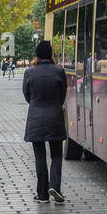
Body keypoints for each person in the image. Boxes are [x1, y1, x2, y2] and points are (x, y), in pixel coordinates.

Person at [23, 40, 68, 204]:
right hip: (55, 115)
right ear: (51, 54)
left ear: (37, 54)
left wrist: (36, 103)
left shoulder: (29, 72)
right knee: (56, 154)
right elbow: (63, 94)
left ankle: (42, 194)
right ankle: (55, 186)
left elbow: (27, 95)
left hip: (35, 116)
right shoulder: (59, 71)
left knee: (39, 156)